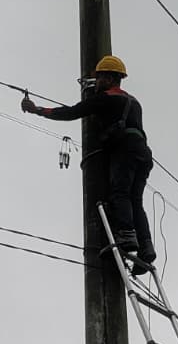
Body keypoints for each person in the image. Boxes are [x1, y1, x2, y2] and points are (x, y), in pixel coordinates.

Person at [21, 55, 155, 273]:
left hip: (125, 152)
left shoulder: (104, 100)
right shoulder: (133, 102)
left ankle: (127, 235)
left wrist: (37, 110)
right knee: (135, 200)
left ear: (110, 78)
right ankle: (146, 247)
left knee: (120, 193)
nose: (98, 80)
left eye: (100, 77)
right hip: (143, 153)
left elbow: (71, 112)